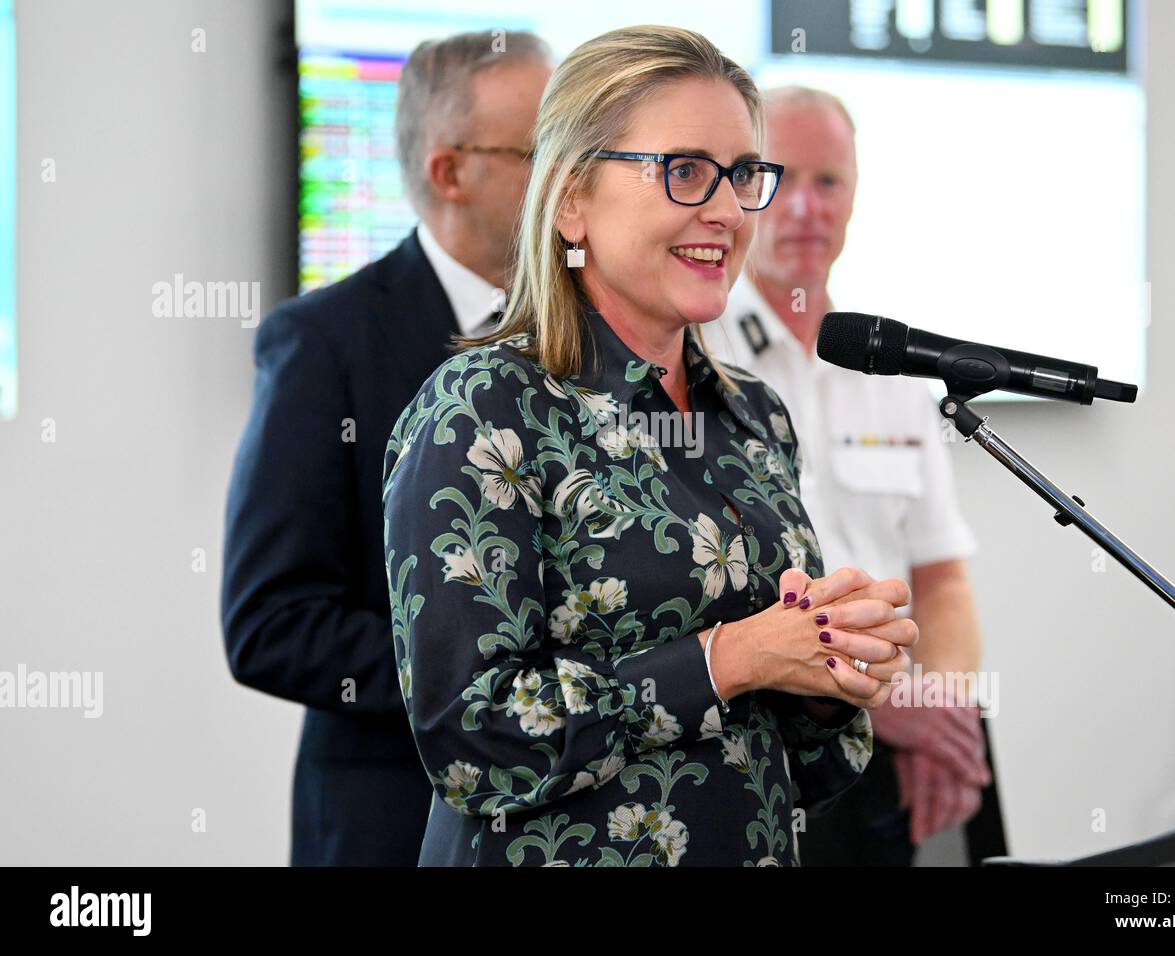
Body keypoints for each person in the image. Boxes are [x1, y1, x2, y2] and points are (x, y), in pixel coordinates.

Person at [382, 25, 922, 868]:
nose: (724, 210)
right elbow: (472, 740)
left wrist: (829, 670)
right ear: (570, 198)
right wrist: (730, 658)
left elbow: (809, 767)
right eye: (684, 170)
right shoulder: (484, 408)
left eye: (744, 175)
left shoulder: (754, 416)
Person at [220, 31, 551, 866]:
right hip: (392, 827)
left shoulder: (583, 344)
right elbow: (271, 624)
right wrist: (488, 684)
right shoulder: (323, 342)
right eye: (542, 151)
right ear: (449, 172)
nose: (572, 179)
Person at [700, 86, 992, 866]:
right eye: (782, 178)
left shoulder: (893, 371)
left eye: (828, 182)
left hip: (884, 764)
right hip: (754, 753)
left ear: (855, 194)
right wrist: (880, 698)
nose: (804, 207)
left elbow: (943, 581)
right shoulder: (692, 358)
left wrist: (941, 710)